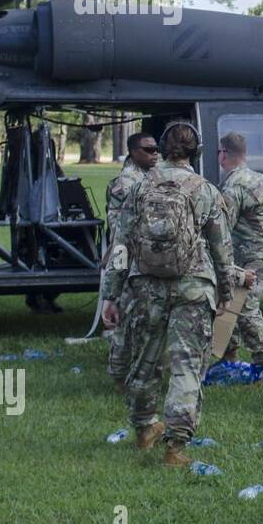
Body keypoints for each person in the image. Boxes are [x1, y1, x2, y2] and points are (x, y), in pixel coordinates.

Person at [101, 122, 252, 466]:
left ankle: (143, 429)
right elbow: (222, 249)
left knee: (145, 362)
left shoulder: (139, 187)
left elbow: (120, 245)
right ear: (196, 152)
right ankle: (175, 447)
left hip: (145, 286)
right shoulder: (206, 190)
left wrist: (111, 295)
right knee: (187, 366)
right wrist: (226, 292)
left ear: (164, 149)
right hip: (193, 287)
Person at [218, 132, 263, 384]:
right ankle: (229, 357)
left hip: (256, 255)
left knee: (245, 306)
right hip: (261, 252)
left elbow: (222, 229)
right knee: (227, 297)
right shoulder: (259, 178)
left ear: (223, 154)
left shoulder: (234, 186)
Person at [103, 131, 158, 393]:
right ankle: (119, 375)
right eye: (148, 150)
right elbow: (126, 231)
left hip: (136, 257)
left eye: (156, 149)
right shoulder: (127, 183)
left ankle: (132, 370)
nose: (154, 154)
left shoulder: (143, 177)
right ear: (133, 152)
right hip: (127, 258)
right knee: (124, 319)